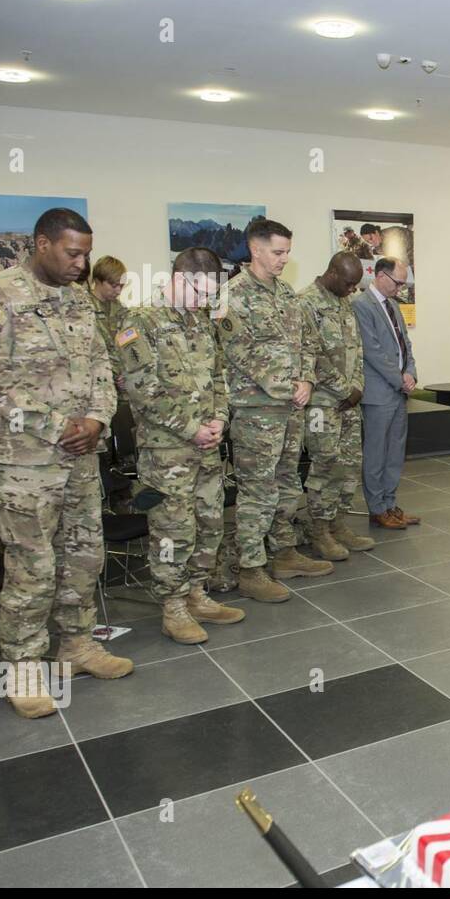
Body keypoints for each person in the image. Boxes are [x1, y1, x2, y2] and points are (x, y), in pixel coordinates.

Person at [0, 207, 131, 718]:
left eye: (85, 253)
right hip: (24, 463)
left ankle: (77, 647)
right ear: (42, 244)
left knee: (84, 559)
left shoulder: (79, 299)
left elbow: (103, 365)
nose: (81, 263)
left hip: (81, 459)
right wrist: (56, 425)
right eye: (72, 253)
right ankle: (22, 669)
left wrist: (100, 421)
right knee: (31, 571)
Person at [117, 246, 245, 644]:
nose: (205, 302)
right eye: (200, 293)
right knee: (172, 529)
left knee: (209, 523)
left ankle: (197, 593)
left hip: (206, 446)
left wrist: (220, 419)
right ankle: (172, 607)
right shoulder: (140, 321)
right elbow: (143, 390)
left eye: (210, 295)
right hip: (166, 450)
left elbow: (220, 377)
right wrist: (191, 427)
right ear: (178, 278)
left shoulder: (202, 321)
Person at [217, 218, 332, 603]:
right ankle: (251, 569)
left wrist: (307, 382)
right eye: (278, 252)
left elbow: (307, 346)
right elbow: (239, 351)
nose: (285, 259)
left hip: (292, 408)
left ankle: (284, 554)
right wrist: (288, 386)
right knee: (256, 490)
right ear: (256, 250)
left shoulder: (286, 295)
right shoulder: (232, 295)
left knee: (286, 482)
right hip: (256, 412)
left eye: (287, 252)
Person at [298, 252, 373, 558]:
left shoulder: (343, 302)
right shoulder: (305, 303)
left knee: (350, 465)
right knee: (326, 467)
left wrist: (357, 386)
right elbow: (311, 355)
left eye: (356, 284)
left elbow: (357, 349)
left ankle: (339, 524)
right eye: (349, 283)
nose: (353, 289)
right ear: (331, 273)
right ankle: (319, 532)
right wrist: (344, 389)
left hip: (349, 402)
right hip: (322, 404)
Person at [353, 256, 422, 529]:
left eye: (404, 284)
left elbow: (406, 346)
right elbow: (373, 352)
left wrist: (411, 374)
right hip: (378, 392)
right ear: (380, 275)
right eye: (397, 283)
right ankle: (377, 508)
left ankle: (391, 505)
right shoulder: (361, 306)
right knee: (376, 453)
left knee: (395, 452)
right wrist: (399, 379)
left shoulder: (393, 305)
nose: (400, 289)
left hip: (398, 391)